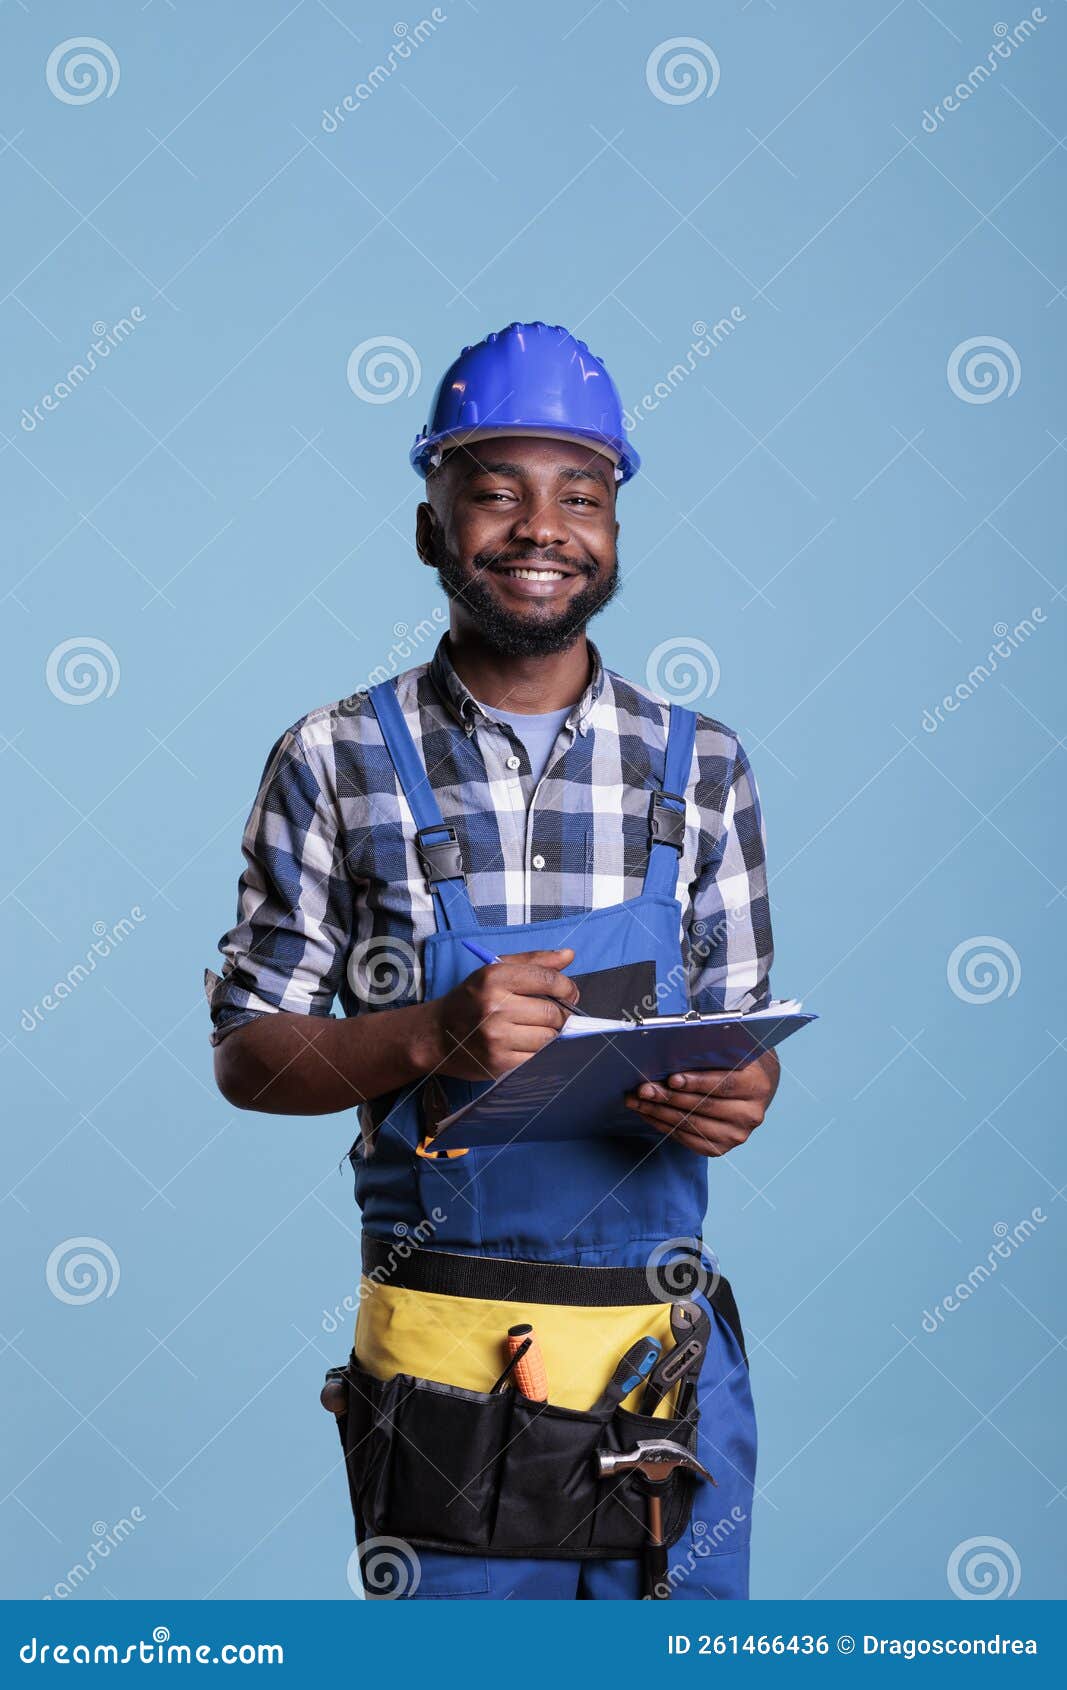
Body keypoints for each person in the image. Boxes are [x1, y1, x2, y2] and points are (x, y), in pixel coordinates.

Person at [207, 321, 779, 1600]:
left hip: (656, 1373)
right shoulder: (334, 758)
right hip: (446, 1381)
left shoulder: (704, 768)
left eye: (581, 494)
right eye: (496, 491)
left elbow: (742, 1041)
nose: (542, 527)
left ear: (616, 530)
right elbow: (246, 1052)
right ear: (429, 524)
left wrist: (740, 1094)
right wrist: (425, 1038)